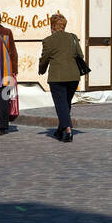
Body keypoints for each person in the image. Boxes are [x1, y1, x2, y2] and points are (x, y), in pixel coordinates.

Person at [38, 12, 82, 143]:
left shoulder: (48, 40)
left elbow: (44, 58)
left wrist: (41, 70)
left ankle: (68, 130)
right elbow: (80, 55)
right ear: (64, 26)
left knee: (61, 105)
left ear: (52, 27)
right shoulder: (73, 38)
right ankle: (59, 130)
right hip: (73, 76)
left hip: (57, 77)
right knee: (65, 104)